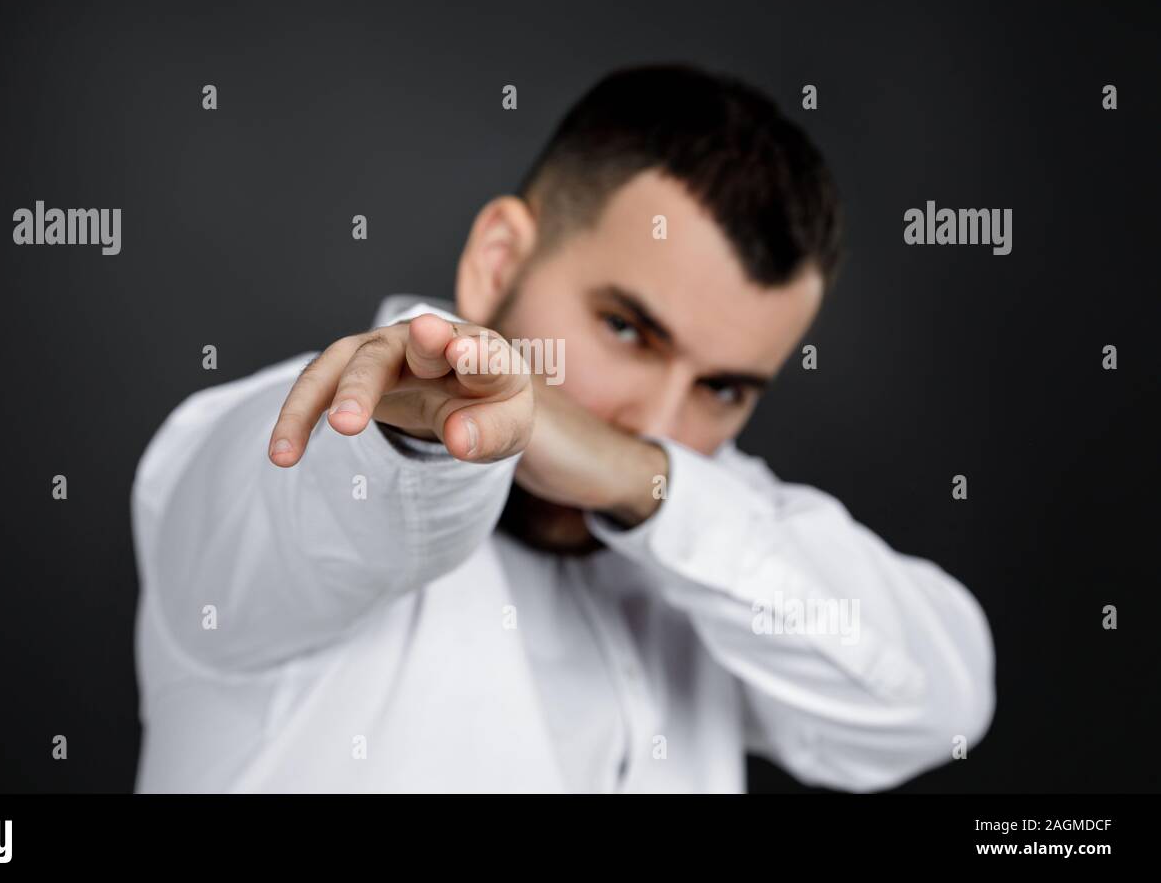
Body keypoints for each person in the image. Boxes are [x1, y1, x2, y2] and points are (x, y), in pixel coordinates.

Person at [130, 64, 995, 793]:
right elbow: (326, 507)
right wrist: (424, 436)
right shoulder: (269, 450)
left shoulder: (703, 499)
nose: (656, 421)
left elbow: (936, 706)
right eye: (626, 330)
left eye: (724, 388)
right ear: (498, 259)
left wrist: (642, 485)